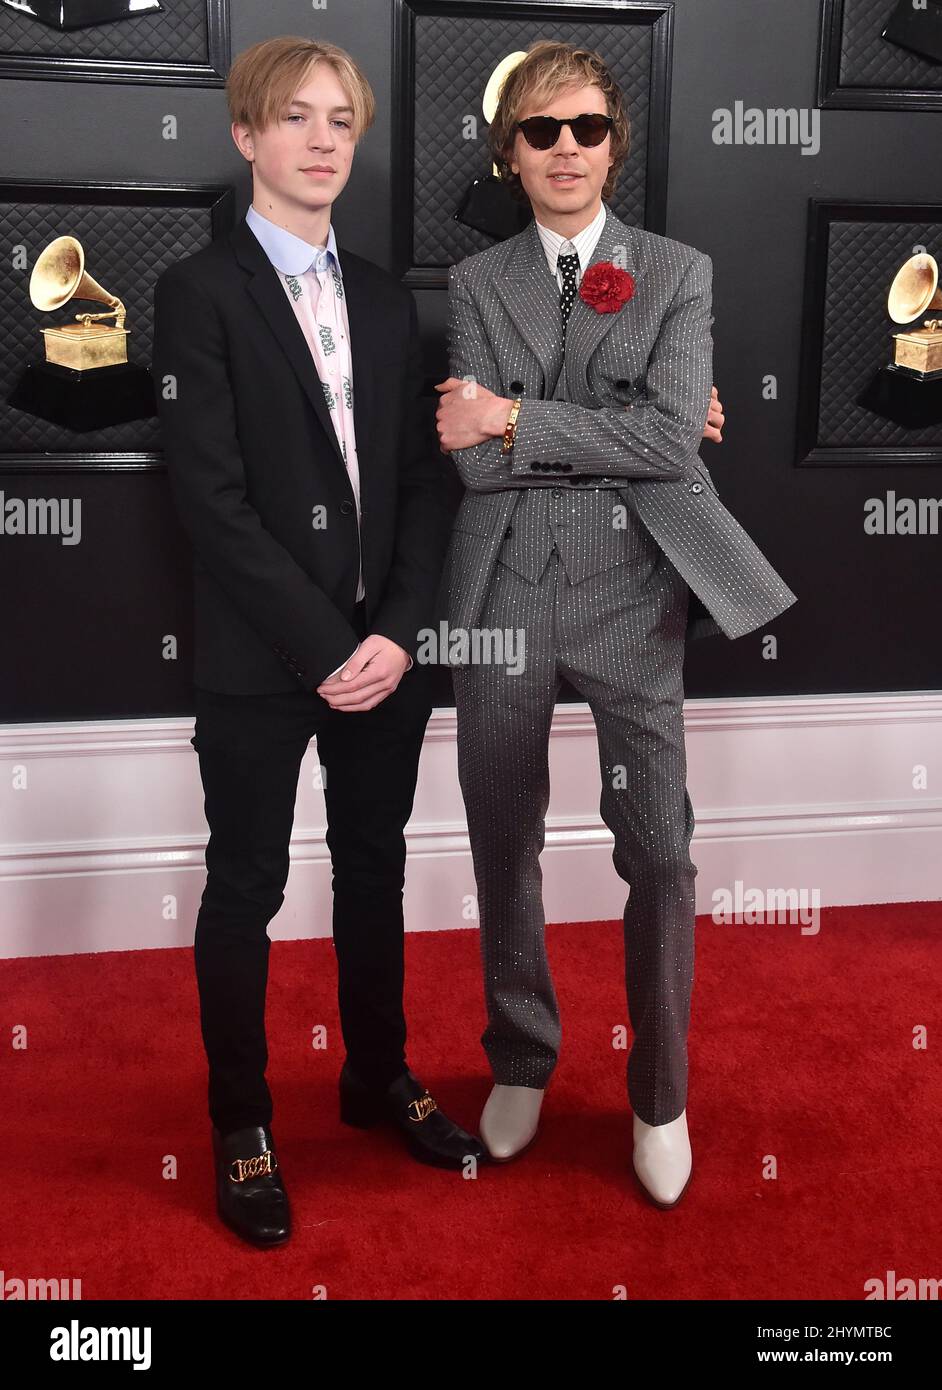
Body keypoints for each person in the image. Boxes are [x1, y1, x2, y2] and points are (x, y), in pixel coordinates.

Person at [435, 39, 797, 1208]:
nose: (567, 151)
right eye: (542, 132)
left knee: (662, 854)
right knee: (506, 840)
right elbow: (480, 474)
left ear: (614, 142)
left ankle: (661, 1095)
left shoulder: (677, 270)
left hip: (638, 596)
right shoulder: (475, 281)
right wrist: (622, 425)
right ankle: (524, 1059)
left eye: (586, 128)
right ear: (511, 152)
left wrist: (514, 418)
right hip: (504, 595)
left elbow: (667, 442)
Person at [153, 35, 485, 1249]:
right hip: (260, 659)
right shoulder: (197, 293)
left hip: (386, 656)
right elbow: (211, 503)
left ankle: (375, 1074)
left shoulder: (392, 297)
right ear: (247, 136)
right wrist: (322, 642)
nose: (324, 137)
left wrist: (394, 632)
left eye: (341, 118)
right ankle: (241, 1122)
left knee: (377, 868)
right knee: (244, 889)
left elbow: (420, 482)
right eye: (296, 117)